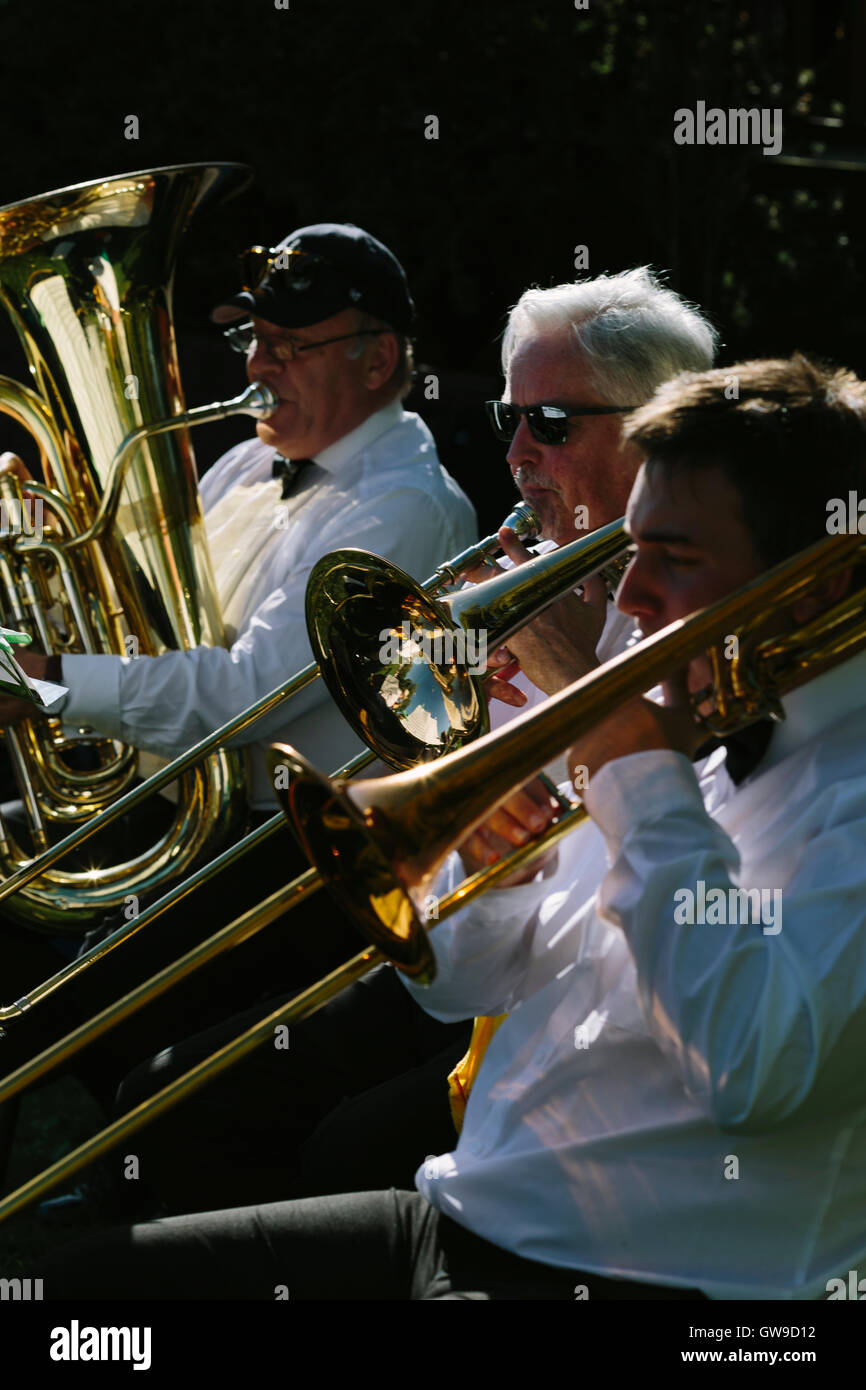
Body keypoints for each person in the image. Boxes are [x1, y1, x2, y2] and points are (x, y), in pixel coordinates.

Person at [38, 352, 866, 1301]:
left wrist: (641, 783)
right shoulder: (701, 721)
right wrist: (493, 880)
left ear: (810, 586)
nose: (628, 599)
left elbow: (752, 1074)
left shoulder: (804, 782)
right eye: (631, 550)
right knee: (77, 1293)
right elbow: (468, 987)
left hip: (644, 1278)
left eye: (674, 561)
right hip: (464, 1215)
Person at [107, 268, 718, 1214]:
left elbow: (685, 848)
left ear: (664, 427)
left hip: (617, 1023)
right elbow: (458, 964)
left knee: (319, 1144)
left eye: (550, 425)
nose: (516, 455)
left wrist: (570, 689)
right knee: (173, 1093)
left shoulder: (712, 614)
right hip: (492, 980)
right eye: (507, 421)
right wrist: (457, 785)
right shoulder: (540, 589)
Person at [0, 224, 476, 1109]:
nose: (257, 365)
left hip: (283, 863)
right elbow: (143, 632)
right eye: (251, 339)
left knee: (40, 1029)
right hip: (172, 817)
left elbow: (249, 695)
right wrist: (40, 548)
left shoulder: (403, 507)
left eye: (291, 346)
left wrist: (46, 683)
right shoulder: (246, 463)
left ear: (377, 362)